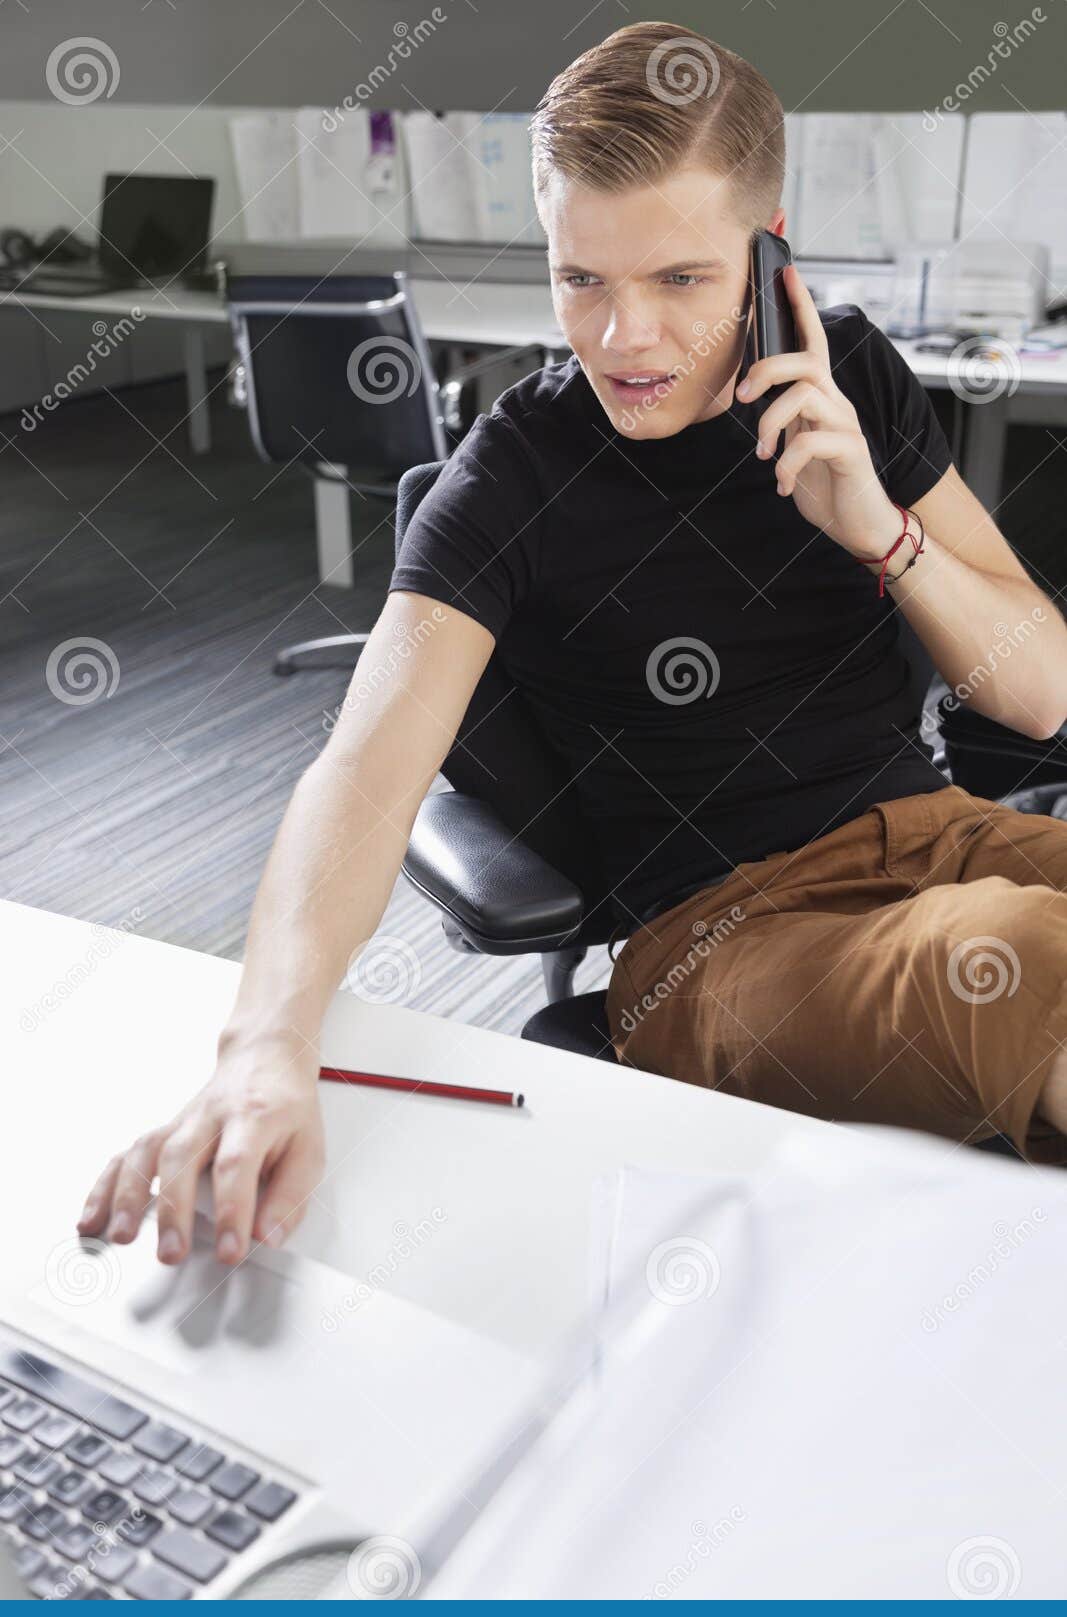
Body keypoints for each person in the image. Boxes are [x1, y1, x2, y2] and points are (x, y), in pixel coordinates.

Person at [78, 22, 1067, 1268]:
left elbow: (1039, 696)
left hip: (942, 837)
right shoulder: (510, 478)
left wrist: (879, 530)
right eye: (580, 279)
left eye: (679, 280)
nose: (621, 336)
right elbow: (361, 777)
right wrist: (263, 1046)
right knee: (1017, 958)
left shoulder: (849, 381)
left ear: (769, 253)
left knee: (1002, 939)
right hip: (722, 939)